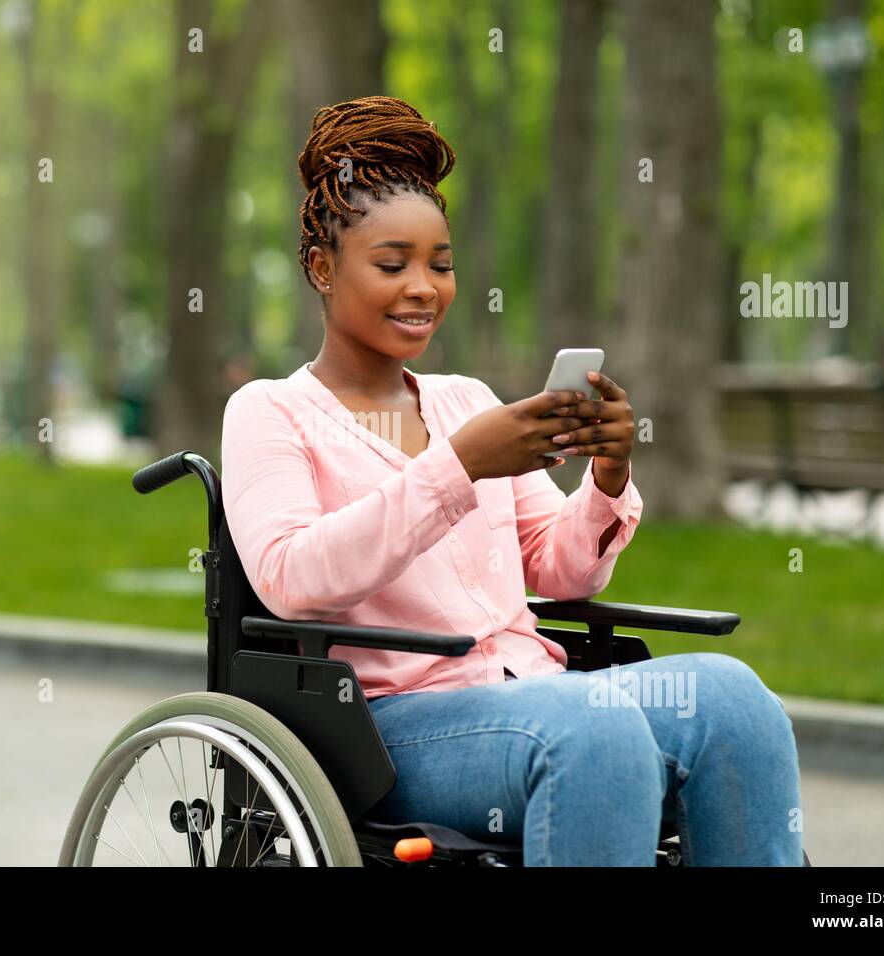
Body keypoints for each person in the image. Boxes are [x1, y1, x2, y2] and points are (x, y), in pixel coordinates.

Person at [220, 95, 803, 866]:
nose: (424, 286)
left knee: (732, 701)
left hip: (537, 689)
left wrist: (607, 473)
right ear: (324, 268)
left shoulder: (467, 401)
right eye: (392, 265)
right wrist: (457, 467)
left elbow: (563, 572)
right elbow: (292, 579)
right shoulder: (271, 412)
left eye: (442, 263)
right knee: (592, 725)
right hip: (391, 728)